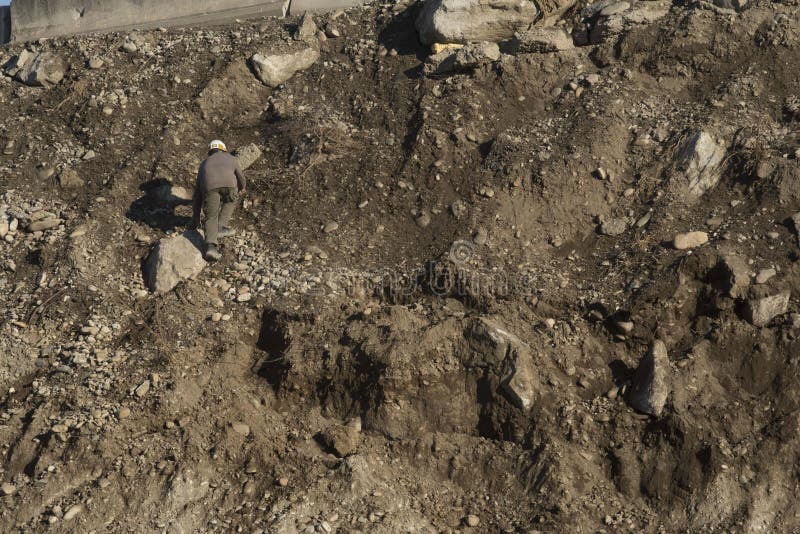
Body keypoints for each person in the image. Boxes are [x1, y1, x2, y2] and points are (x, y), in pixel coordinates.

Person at [191, 140, 246, 261]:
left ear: (210, 151)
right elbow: (240, 177)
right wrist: (242, 187)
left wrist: (195, 218)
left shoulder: (204, 163)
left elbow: (197, 193)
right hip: (230, 186)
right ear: (224, 149)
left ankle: (211, 247)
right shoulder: (231, 158)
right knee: (231, 200)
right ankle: (221, 226)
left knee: (211, 216)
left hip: (209, 189)